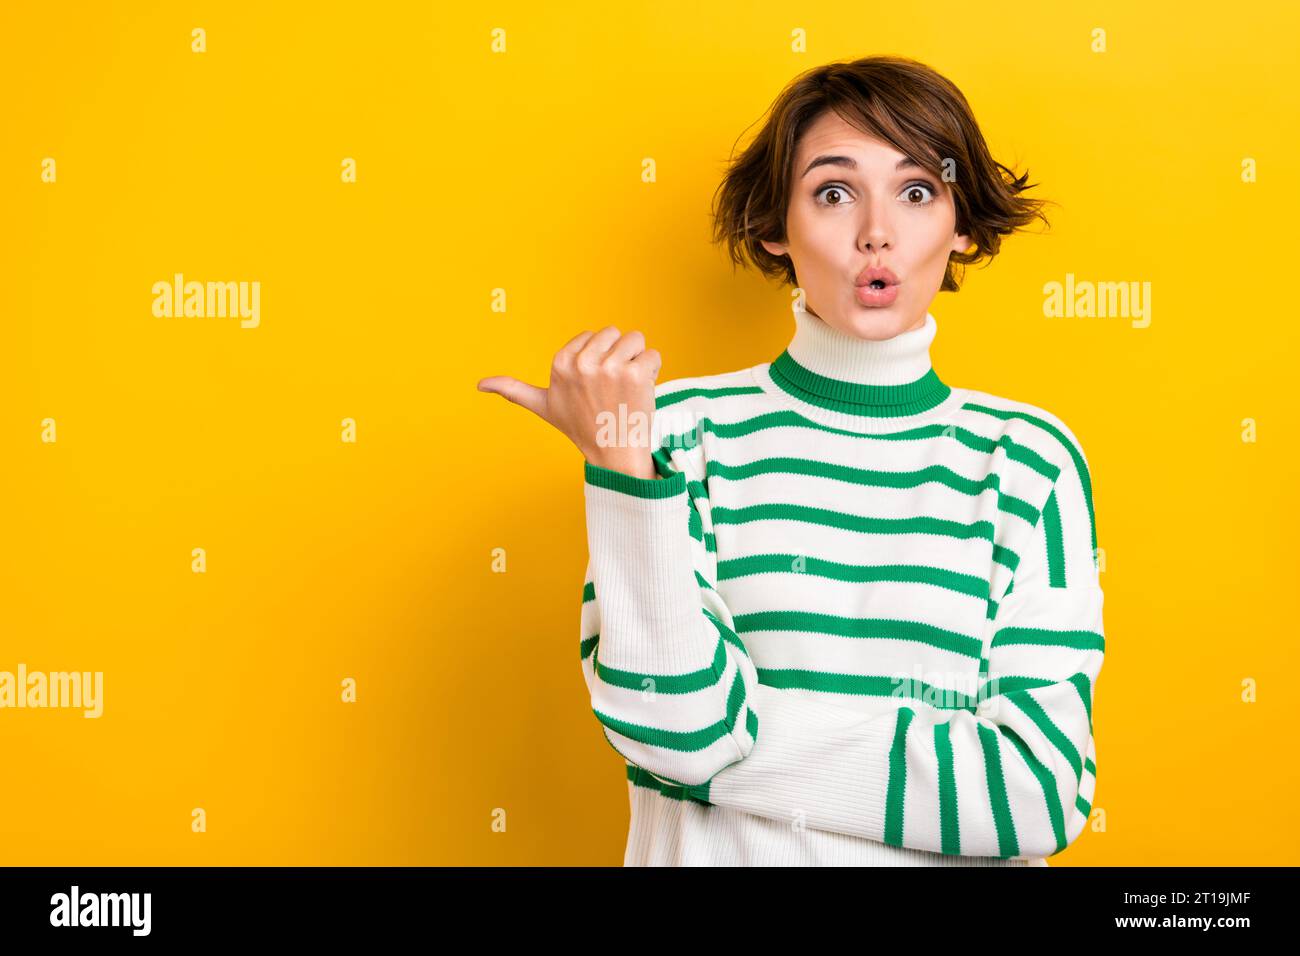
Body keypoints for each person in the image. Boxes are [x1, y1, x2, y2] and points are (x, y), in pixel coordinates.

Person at [478, 55, 1103, 866]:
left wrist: (728, 745)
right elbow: (667, 715)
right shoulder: (668, 434)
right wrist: (621, 469)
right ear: (775, 225)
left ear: (963, 227)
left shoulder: (1029, 461)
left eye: (918, 192)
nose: (875, 230)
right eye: (833, 192)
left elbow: (1037, 794)